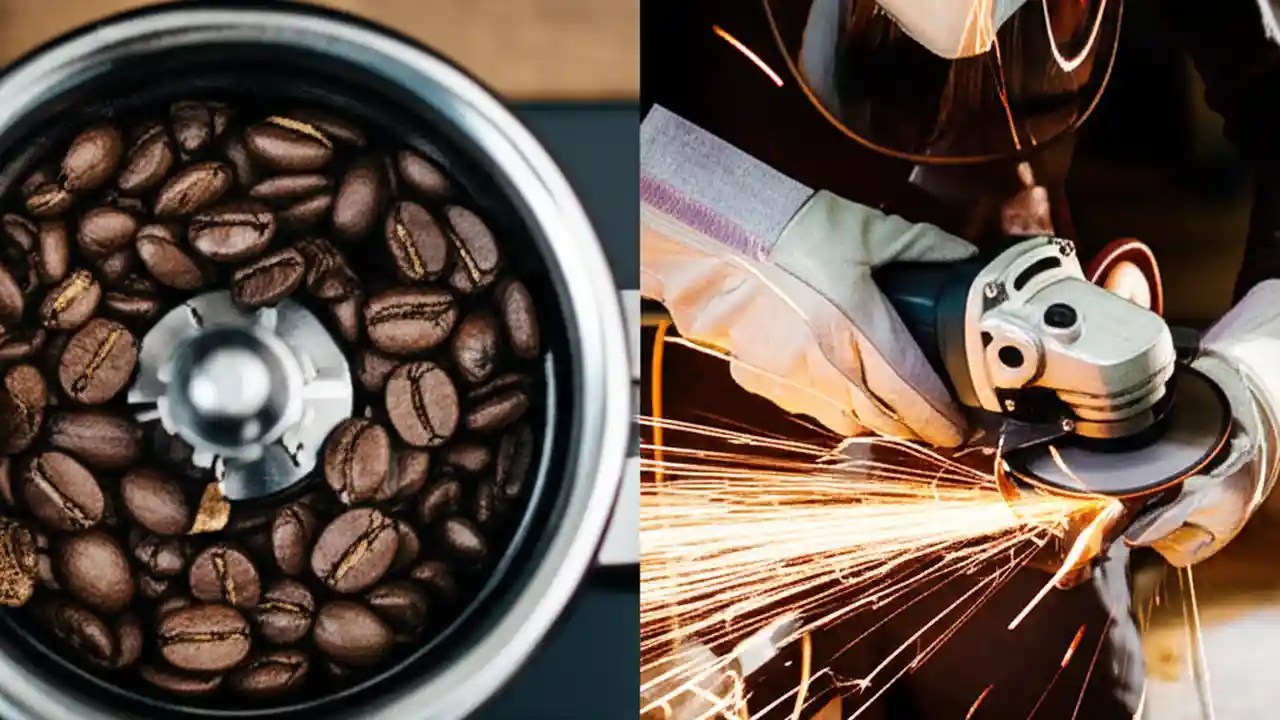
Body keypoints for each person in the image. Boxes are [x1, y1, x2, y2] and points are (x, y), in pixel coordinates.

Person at [640, 1, 1280, 716]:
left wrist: (1263, 363)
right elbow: (521, 90)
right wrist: (709, 221)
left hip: (1021, 433)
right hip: (700, 425)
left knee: (1055, 689)